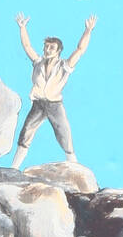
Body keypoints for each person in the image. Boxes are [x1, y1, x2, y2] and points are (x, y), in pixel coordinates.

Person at [11, 13, 97, 167]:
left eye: (52, 47)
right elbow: (27, 46)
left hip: (55, 105)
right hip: (38, 104)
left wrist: (88, 31)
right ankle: (14, 167)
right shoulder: (38, 62)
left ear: (58, 51)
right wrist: (22, 28)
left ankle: (76, 168)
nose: (48, 49)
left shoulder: (64, 66)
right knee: (25, 134)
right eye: (46, 46)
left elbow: (80, 49)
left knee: (64, 136)